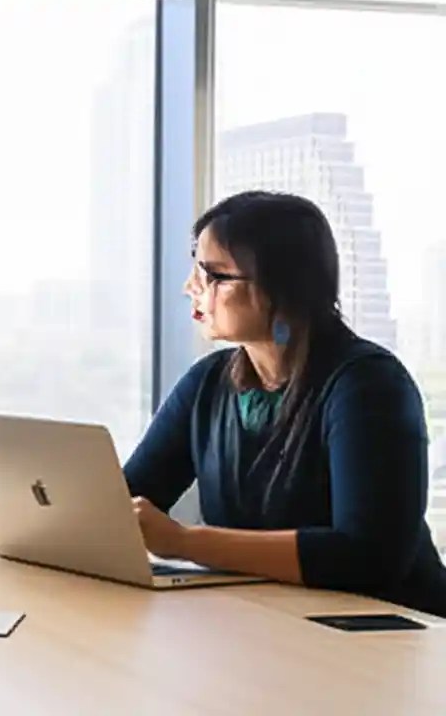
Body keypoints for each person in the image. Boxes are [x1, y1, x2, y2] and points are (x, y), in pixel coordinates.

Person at [125, 190, 446, 617]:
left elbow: (369, 555)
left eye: (213, 275)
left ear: (282, 289)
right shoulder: (207, 383)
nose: (191, 289)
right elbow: (126, 500)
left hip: (392, 630)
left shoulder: (368, 384)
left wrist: (184, 542)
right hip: (275, 621)